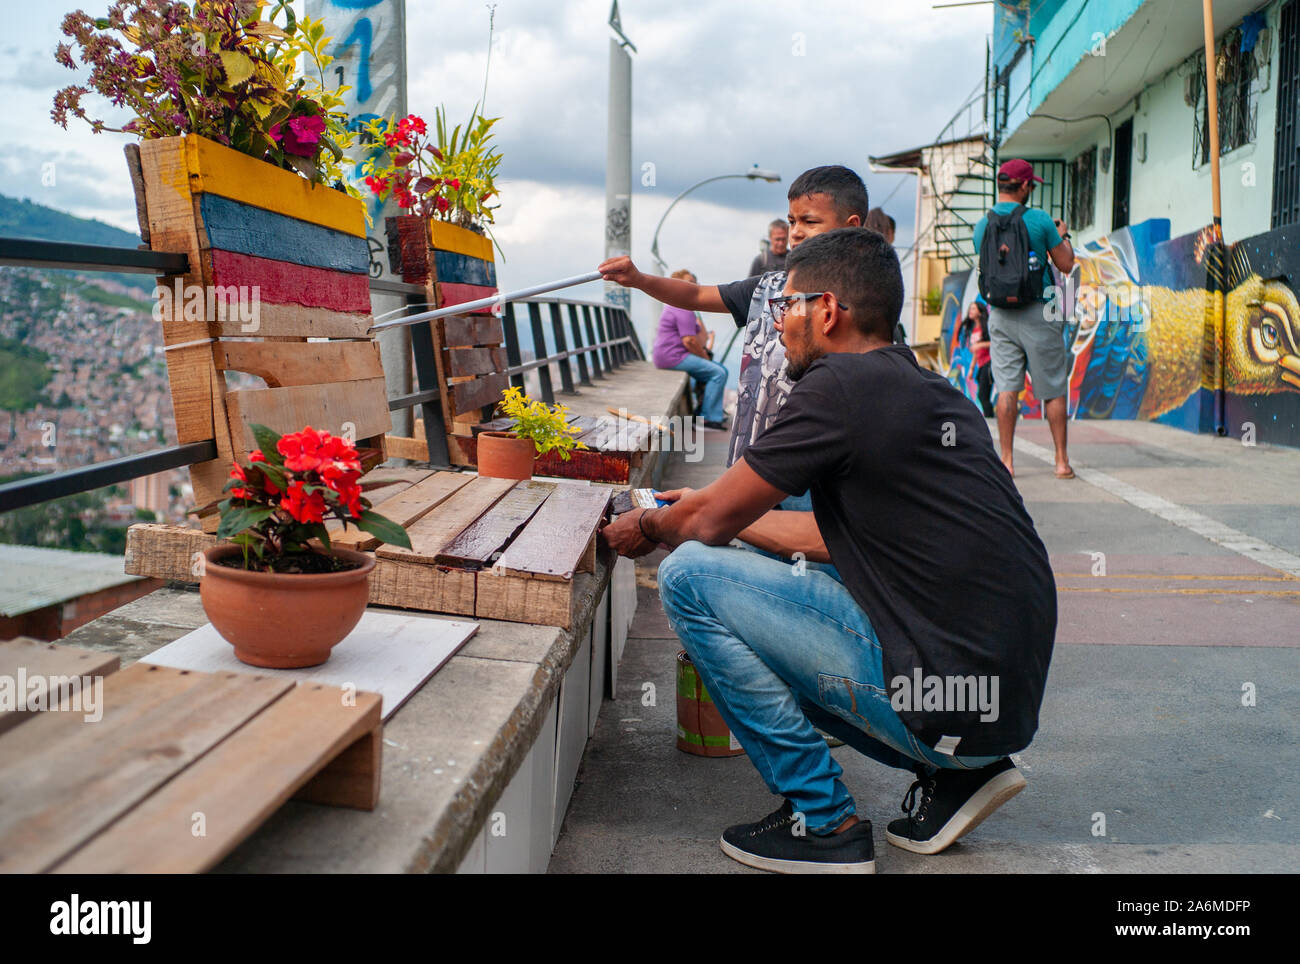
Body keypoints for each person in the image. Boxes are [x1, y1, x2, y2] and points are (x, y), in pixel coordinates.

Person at [600, 228, 1057, 874]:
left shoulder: (839, 385)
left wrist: (652, 527)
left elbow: (708, 526)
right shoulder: (931, 390)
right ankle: (959, 779)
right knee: (739, 572)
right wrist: (694, 510)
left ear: (828, 310)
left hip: (943, 699)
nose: (779, 321)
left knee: (688, 578)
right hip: (997, 711)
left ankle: (826, 823)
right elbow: (819, 537)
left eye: (786, 306)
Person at [599, 165, 869, 507]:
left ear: (852, 228)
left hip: (812, 481)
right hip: (754, 464)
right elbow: (696, 295)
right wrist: (639, 279)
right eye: (792, 221)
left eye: (810, 222)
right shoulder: (768, 287)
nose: (795, 233)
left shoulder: (864, 304)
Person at [972, 159, 1076, 479]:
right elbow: (1066, 264)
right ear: (1025, 186)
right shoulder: (1040, 220)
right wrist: (1062, 235)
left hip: (1000, 314)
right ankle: (1060, 461)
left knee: (1006, 389)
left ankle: (1006, 461)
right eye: (1032, 184)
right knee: (1053, 389)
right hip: (1039, 311)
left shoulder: (982, 225)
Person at [650, 270, 728, 429]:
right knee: (718, 373)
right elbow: (690, 341)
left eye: (695, 282)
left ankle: (709, 413)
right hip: (673, 356)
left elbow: (701, 337)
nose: (695, 285)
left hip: (669, 355)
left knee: (721, 369)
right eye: (690, 282)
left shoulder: (677, 305)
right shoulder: (681, 307)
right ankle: (707, 418)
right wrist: (704, 357)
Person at [959, 300, 995, 417]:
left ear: (980, 312)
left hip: (989, 363)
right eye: (970, 308)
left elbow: (995, 343)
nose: (970, 311)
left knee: (983, 395)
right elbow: (976, 352)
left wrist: (980, 345)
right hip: (981, 365)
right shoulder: (974, 329)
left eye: (973, 309)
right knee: (982, 396)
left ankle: (990, 419)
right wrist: (971, 368)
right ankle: (989, 418)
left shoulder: (987, 327)